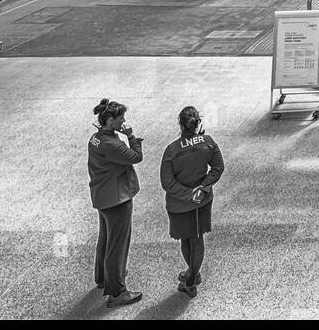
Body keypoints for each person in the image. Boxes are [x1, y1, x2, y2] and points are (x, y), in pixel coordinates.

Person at [160, 106, 225, 298]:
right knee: (198, 238)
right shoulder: (208, 142)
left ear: (180, 124)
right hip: (202, 201)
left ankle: (191, 279)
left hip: (179, 205)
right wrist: (203, 187)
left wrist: (188, 194)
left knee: (186, 238)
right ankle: (193, 275)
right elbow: (218, 167)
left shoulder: (172, 150)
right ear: (198, 123)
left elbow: (167, 182)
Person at [88, 99, 144, 308]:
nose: (124, 121)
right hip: (117, 199)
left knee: (105, 239)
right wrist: (131, 136)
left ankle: (104, 278)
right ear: (110, 120)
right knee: (118, 245)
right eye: (121, 118)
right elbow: (136, 157)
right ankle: (117, 291)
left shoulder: (96, 138)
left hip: (103, 197)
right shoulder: (112, 144)